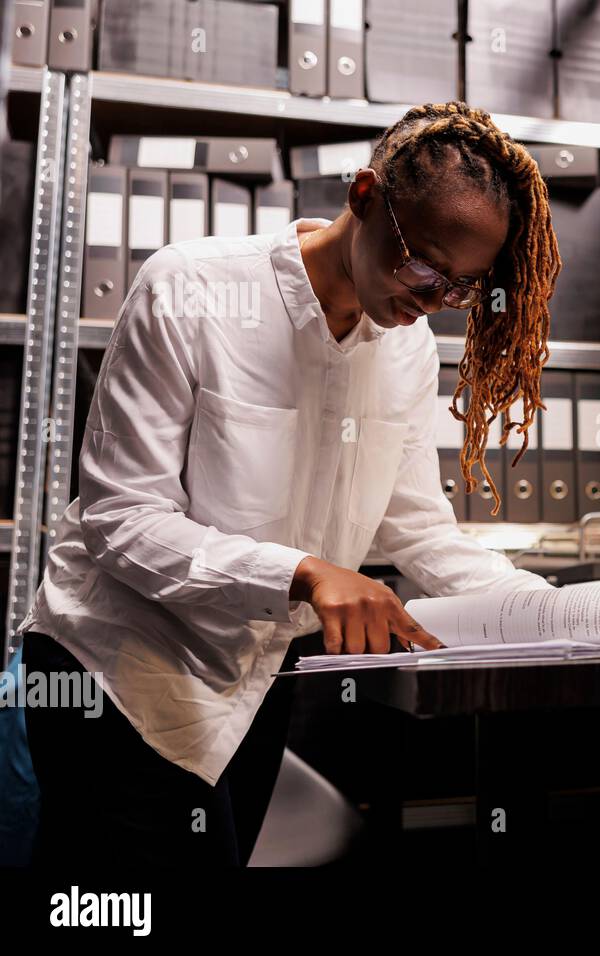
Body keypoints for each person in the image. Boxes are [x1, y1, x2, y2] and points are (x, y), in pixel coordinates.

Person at [17, 101, 563, 865]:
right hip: (122, 670)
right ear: (365, 197)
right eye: (424, 264)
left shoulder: (406, 351)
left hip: (254, 679)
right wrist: (304, 573)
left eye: (464, 287)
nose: (437, 298)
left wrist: (555, 614)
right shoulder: (190, 289)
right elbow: (122, 519)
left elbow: (416, 529)